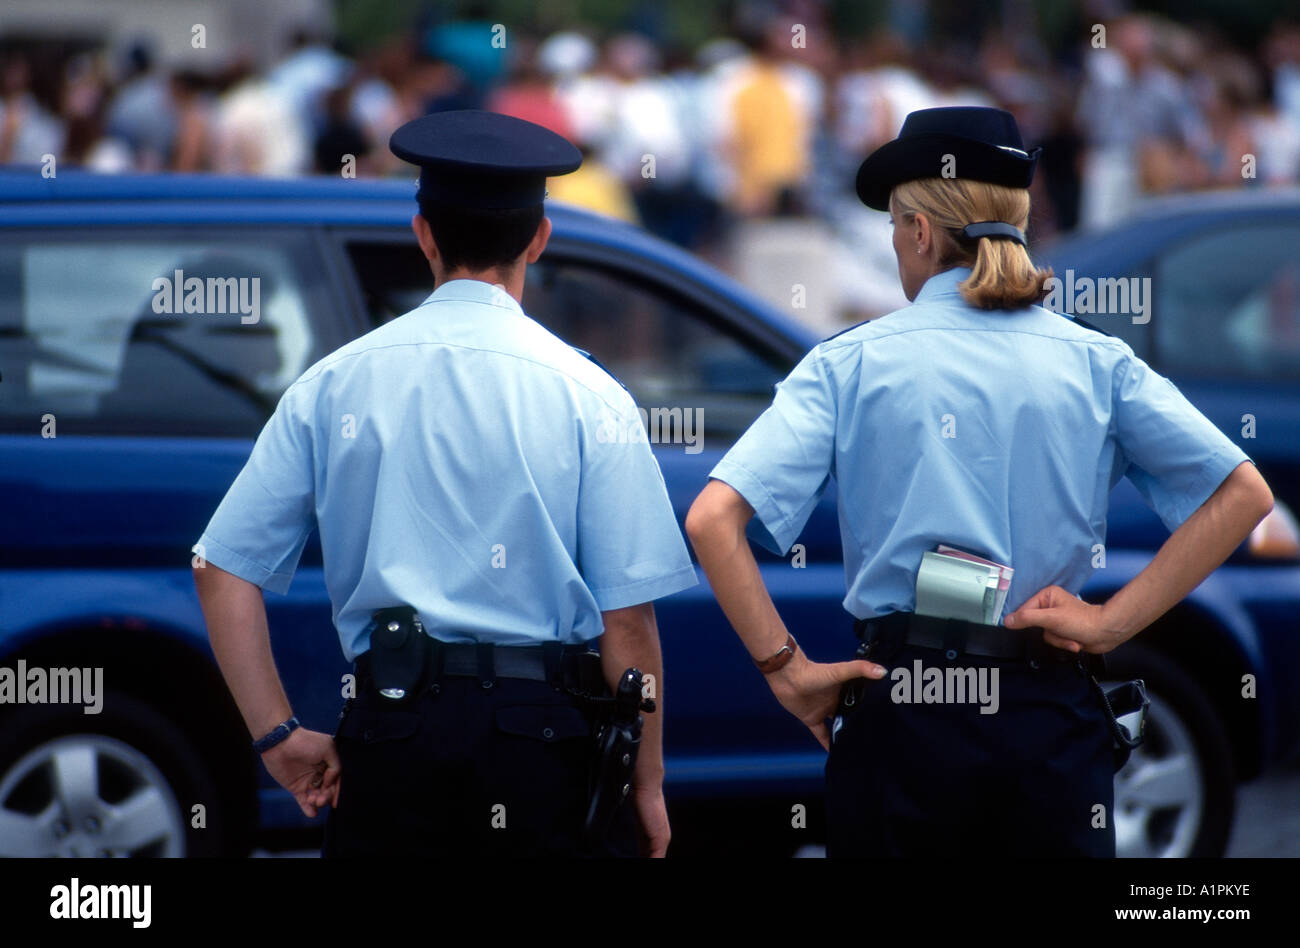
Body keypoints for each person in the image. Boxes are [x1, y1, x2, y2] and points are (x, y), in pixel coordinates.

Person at [685, 106, 1274, 857]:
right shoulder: (1096, 360)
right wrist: (1111, 623)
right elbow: (1244, 494)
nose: (896, 246)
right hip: (1049, 714)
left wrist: (786, 669)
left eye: (896, 227)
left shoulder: (850, 361)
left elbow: (711, 520)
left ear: (923, 232)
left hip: (905, 713)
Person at [192, 109, 696, 858]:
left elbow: (221, 567)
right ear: (540, 239)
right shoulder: (591, 394)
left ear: (422, 234)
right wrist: (644, 783)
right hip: (545, 741)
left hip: (390, 729)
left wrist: (278, 734)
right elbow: (629, 624)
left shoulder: (332, 384)